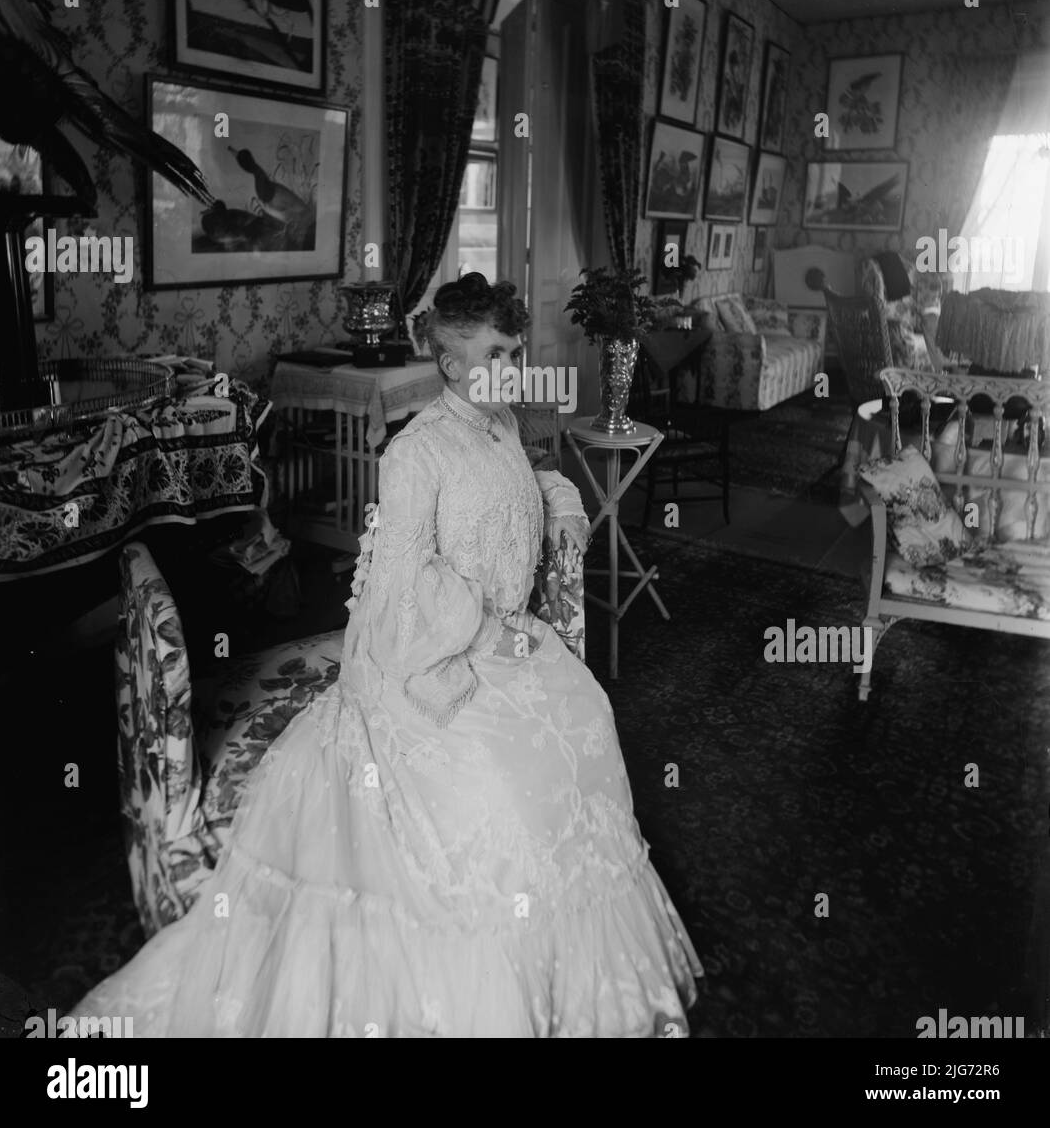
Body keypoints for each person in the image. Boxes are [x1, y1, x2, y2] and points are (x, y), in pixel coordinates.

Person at [70, 273, 702, 1037]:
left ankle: (560, 954)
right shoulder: (415, 452)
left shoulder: (500, 416)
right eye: (496, 354)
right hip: (424, 656)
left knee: (583, 719)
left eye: (514, 349)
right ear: (448, 364)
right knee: (503, 788)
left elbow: (531, 473)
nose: (512, 365)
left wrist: (562, 505)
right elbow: (406, 587)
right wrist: (486, 630)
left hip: (500, 639)